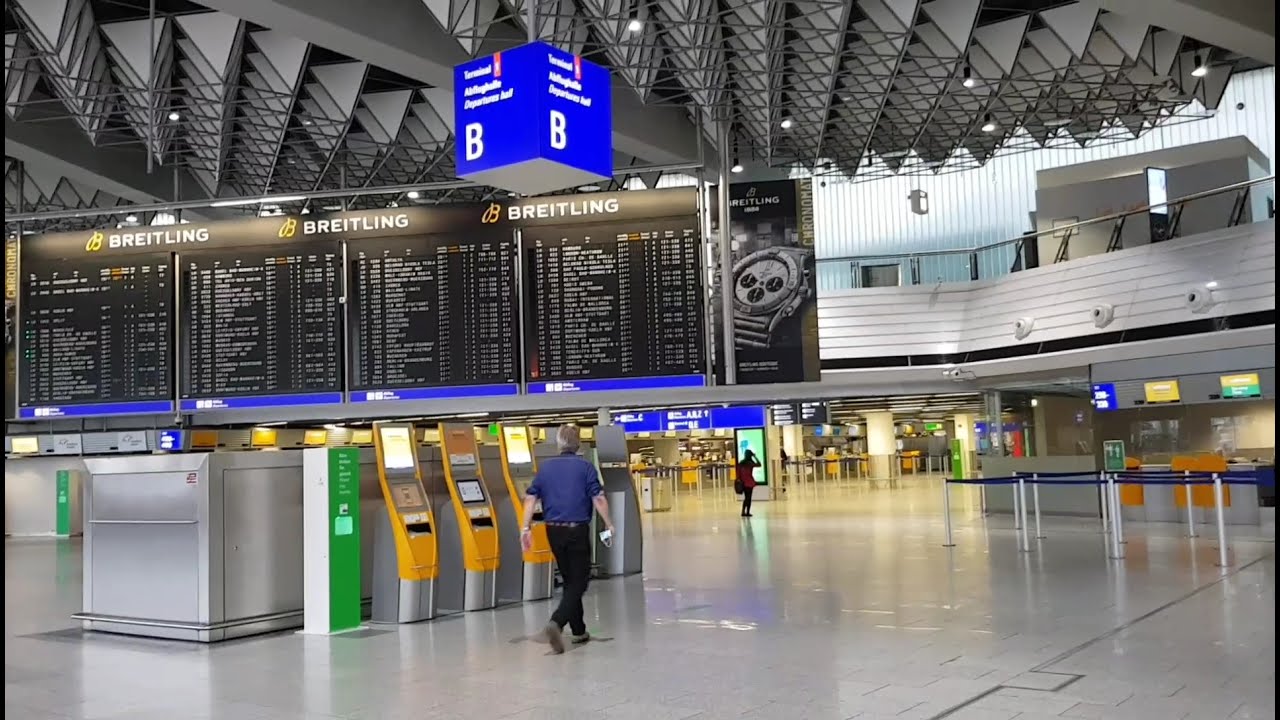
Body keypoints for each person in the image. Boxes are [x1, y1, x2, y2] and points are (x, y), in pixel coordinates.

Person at [521, 425, 614, 654]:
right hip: (577, 530)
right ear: (578, 444)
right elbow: (598, 499)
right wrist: (609, 524)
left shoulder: (546, 468)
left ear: (559, 444)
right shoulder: (585, 467)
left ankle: (579, 630)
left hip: (553, 531)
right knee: (580, 581)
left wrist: (525, 528)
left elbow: (530, 499)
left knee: (570, 579)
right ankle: (556, 623)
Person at [737, 449, 761, 518]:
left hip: (743, 482)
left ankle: (743, 511)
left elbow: (738, 473)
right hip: (749, 482)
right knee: (749, 498)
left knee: (746, 497)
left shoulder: (741, 463)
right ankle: (747, 512)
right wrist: (755, 456)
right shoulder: (750, 463)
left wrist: (739, 479)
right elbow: (759, 464)